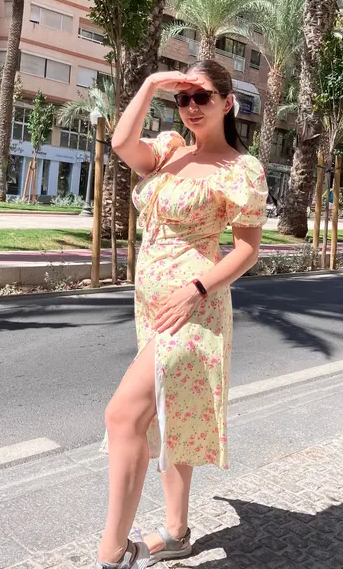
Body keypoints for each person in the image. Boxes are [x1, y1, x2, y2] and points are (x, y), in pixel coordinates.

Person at [95, 60, 268, 569]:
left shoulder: (240, 169)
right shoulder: (170, 149)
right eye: (184, 97)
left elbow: (247, 250)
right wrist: (151, 84)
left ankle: (114, 552)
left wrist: (196, 289)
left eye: (202, 97)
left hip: (194, 306)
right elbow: (122, 144)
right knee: (172, 414)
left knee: (123, 414)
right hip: (151, 304)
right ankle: (175, 532)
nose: (191, 106)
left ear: (227, 102)